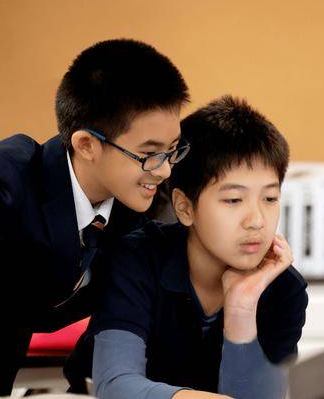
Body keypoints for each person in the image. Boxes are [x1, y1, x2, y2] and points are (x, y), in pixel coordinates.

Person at [0, 38, 190, 395]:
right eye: (148, 154)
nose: (163, 170)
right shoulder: (0, 192)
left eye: (172, 150)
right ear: (86, 145)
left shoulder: (142, 206)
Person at [65, 96, 308, 398]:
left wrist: (241, 309)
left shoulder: (284, 288)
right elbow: (115, 385)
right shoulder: (137, 259)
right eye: (233, 200)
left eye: (270, 198)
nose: (257, 221)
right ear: (184, 207)